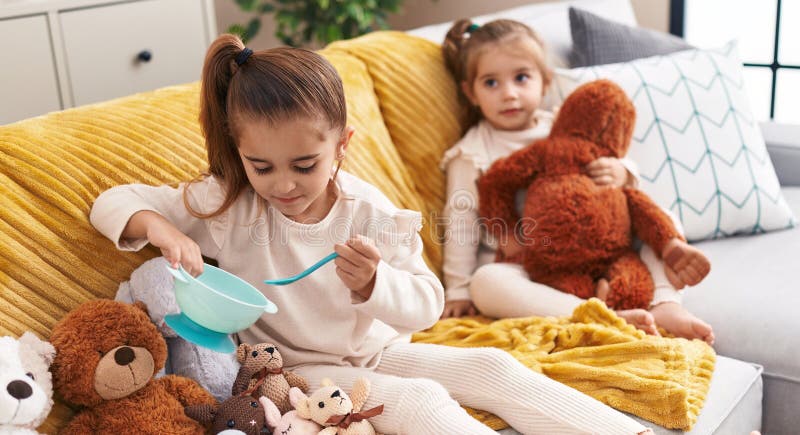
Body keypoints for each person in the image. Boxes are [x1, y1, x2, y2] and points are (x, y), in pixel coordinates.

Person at [90, 34, 654, 434]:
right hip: (295, 370)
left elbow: (429, 304)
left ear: (342, 144)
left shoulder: (368, 208)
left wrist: (374, 285)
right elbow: (114, 200)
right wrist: (165, 231)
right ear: (242, 155)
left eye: (305, 164)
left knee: (493, 367)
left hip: (377, 351)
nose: (283, 184)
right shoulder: (229, 201)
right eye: (262, 166)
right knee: (420, 403)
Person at [439, 18, 714, 345]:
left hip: (595, 248)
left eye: (521, 78)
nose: (509, 94)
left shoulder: (563, 126)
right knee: (485, 283)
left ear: (544, 83)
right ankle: (589, 312)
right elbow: (460, 222)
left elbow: (608, 159)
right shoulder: (471, 153)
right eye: (491, 83)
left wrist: (621, 171)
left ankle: (666, 304)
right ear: (471, 92)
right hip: (525, 262)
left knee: (663, 218)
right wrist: (456, 289)